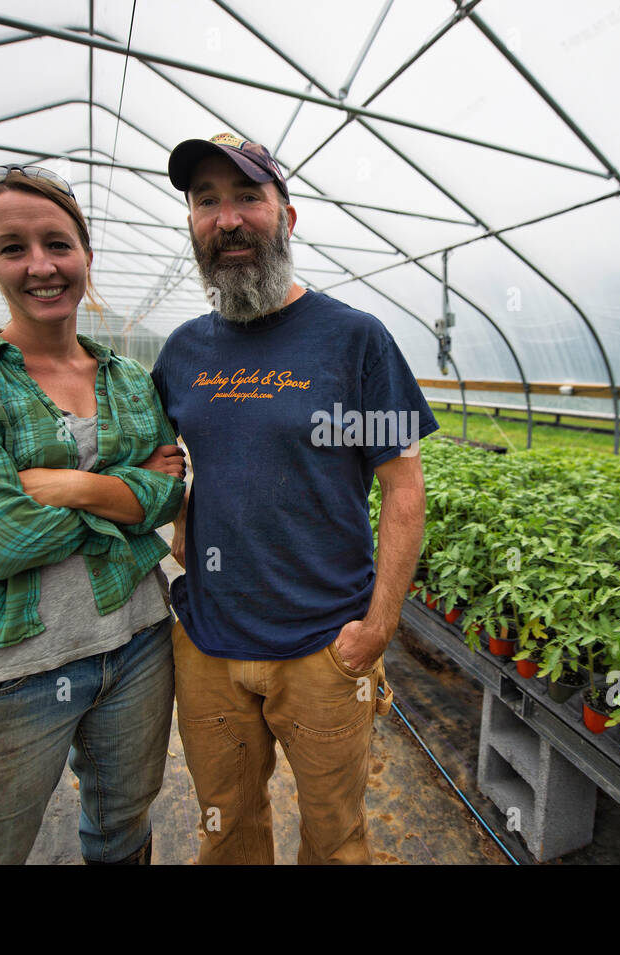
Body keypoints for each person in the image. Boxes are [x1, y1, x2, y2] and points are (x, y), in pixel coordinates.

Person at [152, 133, 438, 864]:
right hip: (209, 644)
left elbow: (404, 491)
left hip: (323, 648)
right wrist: (183, 516)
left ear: (287, 215)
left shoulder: (355, 340)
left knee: (335, 836)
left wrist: (376, 630)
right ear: (192, 224)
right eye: (206, 201)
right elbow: (161, 461)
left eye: (248, 196)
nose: (228, 218)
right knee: (225, 828)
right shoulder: (182, 352)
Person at [0, 164, 186, 864]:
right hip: (7, 668)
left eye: (58, 243)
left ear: (86, 254)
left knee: (122, 830)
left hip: (138, 641)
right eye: (13, 247)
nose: (41, 265)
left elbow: (173, 491)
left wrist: (74, 487)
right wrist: (128, 492)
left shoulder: (128, 377)